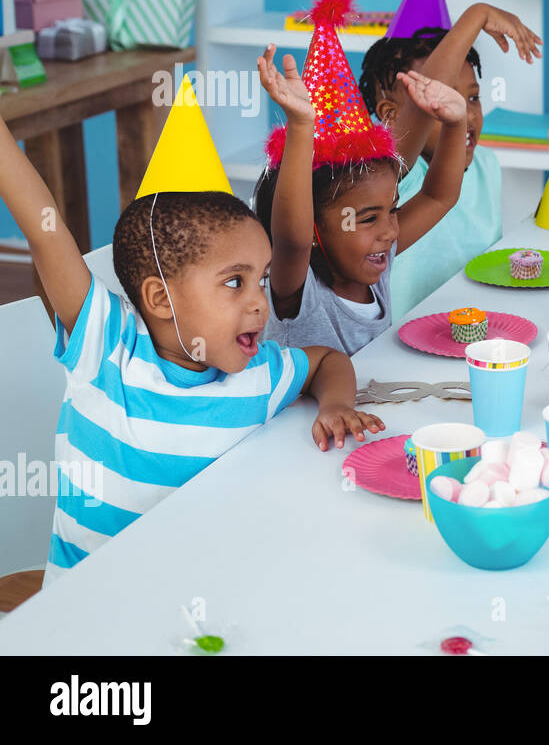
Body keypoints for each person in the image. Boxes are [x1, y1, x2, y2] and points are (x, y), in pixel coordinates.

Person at [0, 109, 382, 580]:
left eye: (261, 280)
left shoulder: (258, 373)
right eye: (234, 282)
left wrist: (336, 405)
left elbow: (326, 362)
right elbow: (45, 230)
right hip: (81, 603)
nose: (259, 302)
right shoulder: (106, 347)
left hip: (199, 595)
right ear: (160, 298)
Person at [253, 0, 468, 355]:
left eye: (392, 210)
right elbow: (292, 239)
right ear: (314, 230)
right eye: (368, 218)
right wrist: (302, 125)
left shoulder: (376, 259)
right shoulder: (297, 288)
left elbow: (437, 197)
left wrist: (455, 122)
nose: (390, 231)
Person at [359, 4, 541, 317]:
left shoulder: (486, 164)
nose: (465, 114)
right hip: (401, 340)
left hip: (477, 328)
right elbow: (421, 108)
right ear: (392, 116)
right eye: (445, 100)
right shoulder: (393, 175)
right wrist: (478, 15)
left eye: (473, 98)